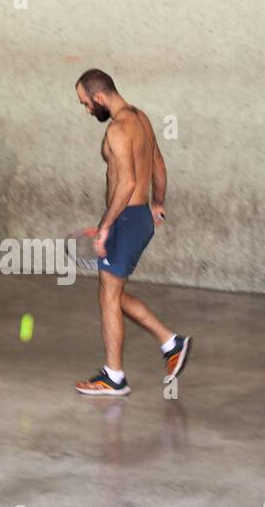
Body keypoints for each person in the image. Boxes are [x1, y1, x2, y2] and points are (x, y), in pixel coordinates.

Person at [72, 69, 191, 395]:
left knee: (108, 296)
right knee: (112, 295)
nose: (86, 110)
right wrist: (158, 204)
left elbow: (127, 183)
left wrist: (106, 228)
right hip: (137, 218)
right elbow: (159, 165)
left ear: (99, 97)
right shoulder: (141, 119)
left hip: (125, 219)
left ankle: (114, 376)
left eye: (85, 104)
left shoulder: (117, 130)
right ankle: (170, 343)